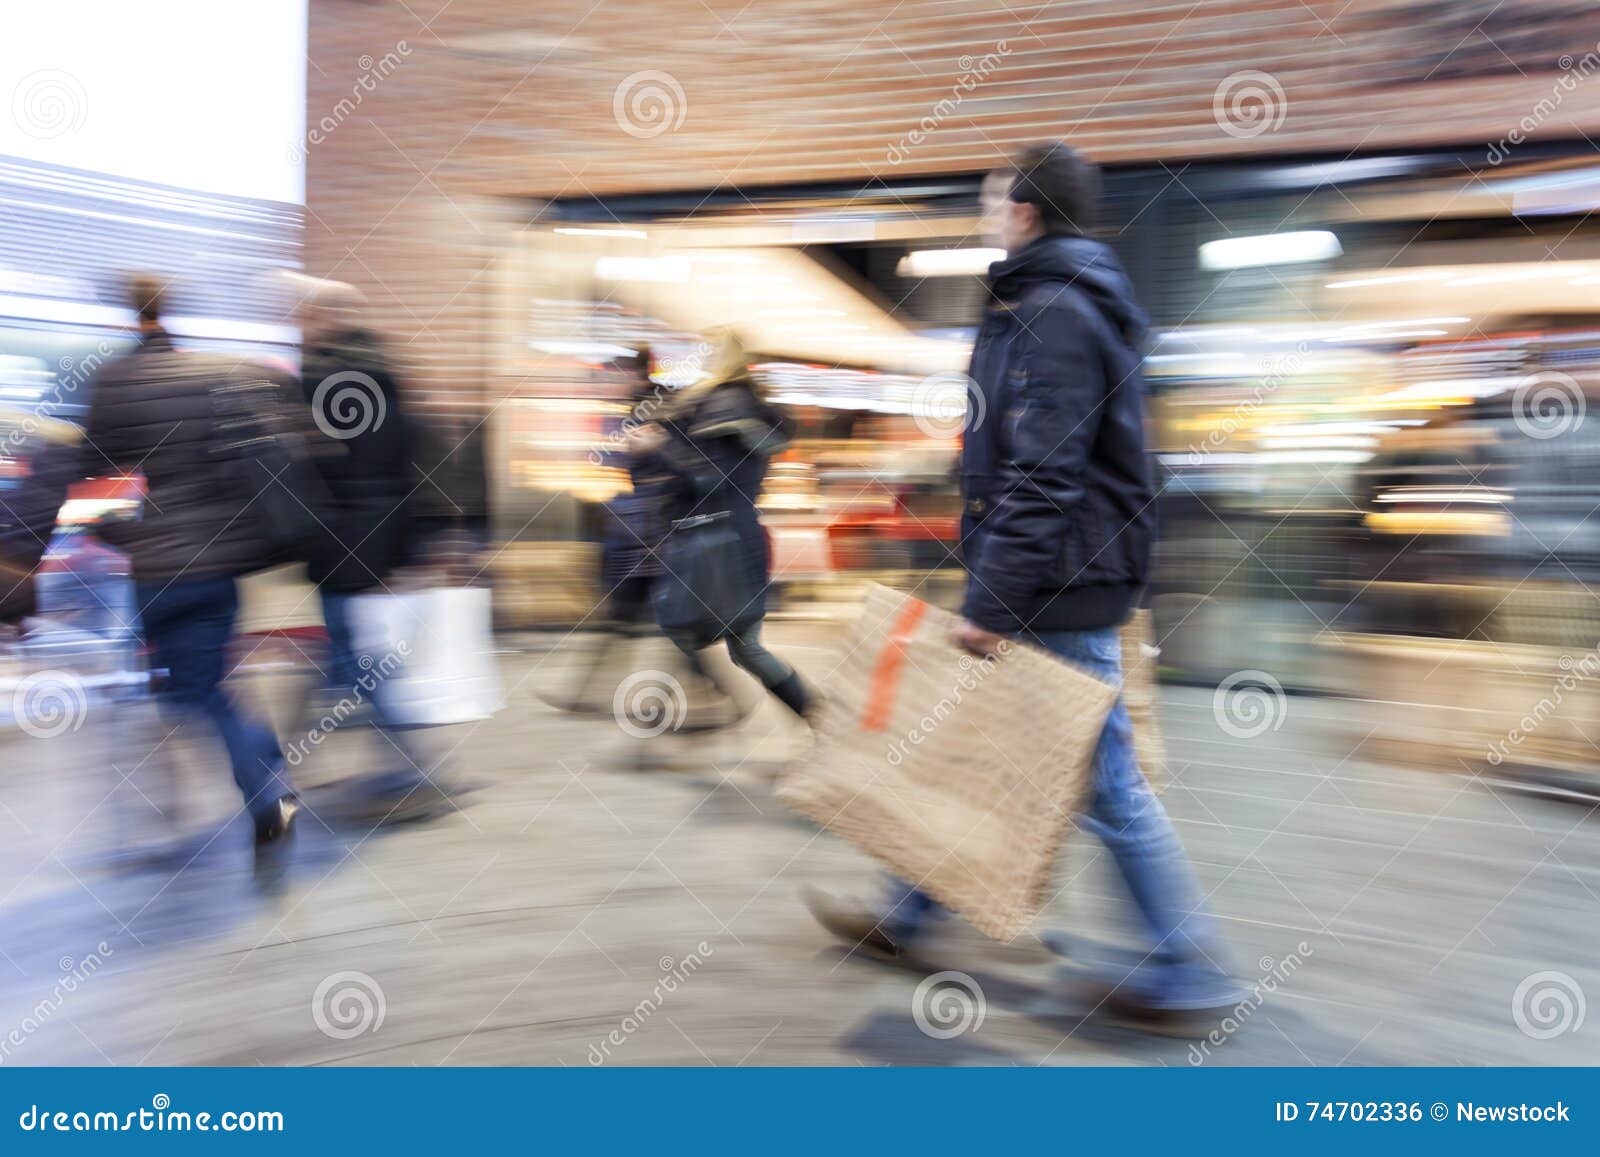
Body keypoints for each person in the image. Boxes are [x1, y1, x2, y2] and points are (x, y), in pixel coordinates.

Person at [806, 143, 1243, 1032]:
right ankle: (908, 910)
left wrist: (993, 601)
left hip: (1059, 581)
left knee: (1106, 779)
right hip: (1060, 572)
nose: (986, 211)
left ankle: (1190, 965)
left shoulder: (1050, 311)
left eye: (994, 198)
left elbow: (1045, 474)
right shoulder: (1054, 304)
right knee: (976, 733)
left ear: (1027, 211)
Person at [80, 274, 297, 846]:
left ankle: (262, 789)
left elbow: (93, 481)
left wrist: (117, 537)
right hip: (217, 565)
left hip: (154, 570)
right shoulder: (209, 376)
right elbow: (239, 467)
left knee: (188, 690)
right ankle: (267, 776)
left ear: (127, 315)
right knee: (206, 686)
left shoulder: (112, 382)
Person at [296, 276, 448, 820]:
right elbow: (413, 457)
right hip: (384, 530)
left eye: (306, 316)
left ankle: (407, 768)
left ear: (323, 319)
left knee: (349, 653)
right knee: (343, 650)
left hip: (337, 532)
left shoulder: (321, 376)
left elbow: (310, 464)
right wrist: (412, 544)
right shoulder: (387, 372)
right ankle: (299, 761)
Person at [625, 330, 812, 720]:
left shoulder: (724, 407)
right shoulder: (741, 406)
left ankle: (690, 714)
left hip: (719, 543)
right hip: (738, 538)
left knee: (685, 630)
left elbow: (710, 481)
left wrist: (657, 448)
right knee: (741, 647)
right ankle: (812, 717)